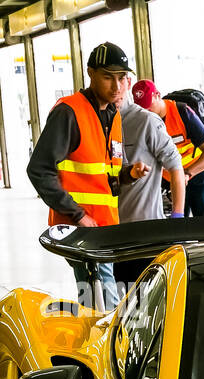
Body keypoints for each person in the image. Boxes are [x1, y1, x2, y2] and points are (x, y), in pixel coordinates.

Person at [27, 42, 143, 310]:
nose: (117, 86)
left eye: (122, 78)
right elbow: (38, 170)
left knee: (93, 299)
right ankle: (111, 346)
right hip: (80, 229)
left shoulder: (113, 115)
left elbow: (103, 175)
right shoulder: (69, 112)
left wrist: (128, 175)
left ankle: (91, 341)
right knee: (108, 302)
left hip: (104, 229)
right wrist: (78, 214)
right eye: (107, 77)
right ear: (90, 73)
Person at [115, 91, 187, 288]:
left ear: (127, 83)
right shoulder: (98, 121)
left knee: (147, 297)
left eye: (121, 79)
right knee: (123, 299)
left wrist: (177, 216)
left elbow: (176, 167)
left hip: (145, 233)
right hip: (112, 234)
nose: (114, 88)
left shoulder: (146, 121)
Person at [129, 80, 204, 217]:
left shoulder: (182, 112)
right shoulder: (145, 122)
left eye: (148, 105)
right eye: (142, 108)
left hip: (198, 174)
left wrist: (187, 174)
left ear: (158, 95)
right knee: (179, 227)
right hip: (171, 181)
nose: (147, 111)